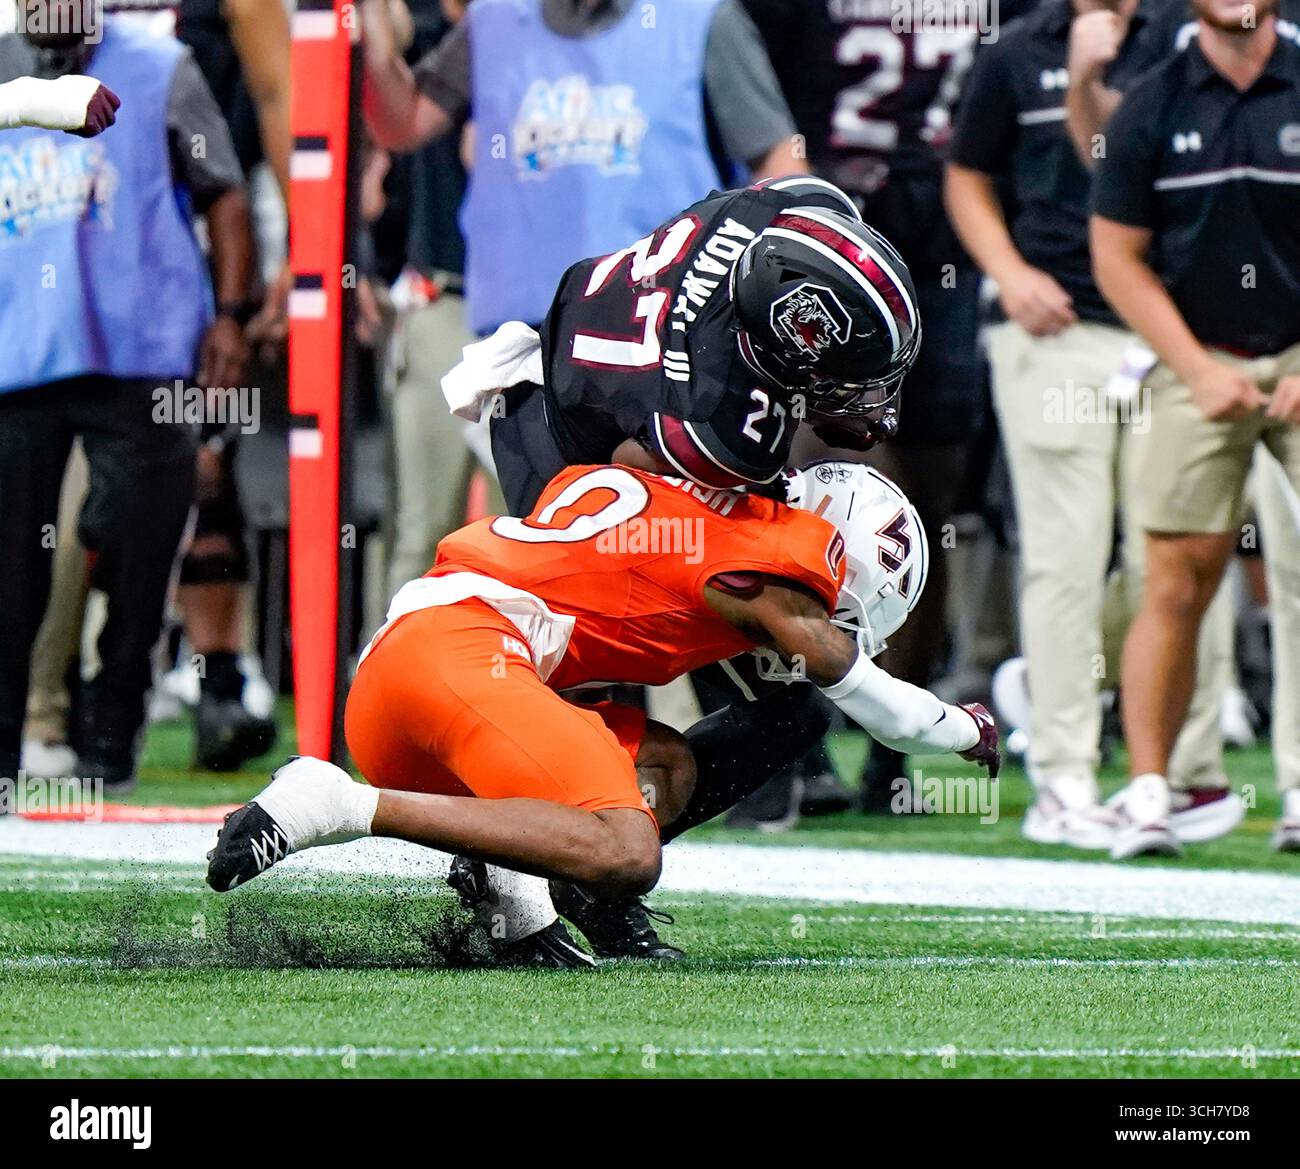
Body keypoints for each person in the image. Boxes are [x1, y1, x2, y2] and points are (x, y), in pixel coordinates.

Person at [206, 461, 999, 965]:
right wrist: (965, 727)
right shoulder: (763, 552)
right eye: (845, 613)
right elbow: (868, 698)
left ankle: (519, 891)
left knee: (667, 768)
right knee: (628, 850)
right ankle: (338, 802)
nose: (834, 631)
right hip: (460, 654)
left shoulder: (678, 487)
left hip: (422, 680)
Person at [944, 0, 1240, 851]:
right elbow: (966, 172)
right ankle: (1066, 779)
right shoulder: (1013, 52)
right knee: (1065, 553)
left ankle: (1182, 771)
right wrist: (1007, 272)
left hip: (1172, 330)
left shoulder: (1192, 43)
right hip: (1056, 323)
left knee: (1177, 555)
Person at [744, 0, 992, 816]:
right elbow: (762, 104)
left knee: (925, 507)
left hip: (942, 247)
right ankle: (796, 736)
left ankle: (893, 750)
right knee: (796, 487)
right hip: (823, 244)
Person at [0, 7, 252, 792]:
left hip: (144, 347)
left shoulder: (159, 63)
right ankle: (6, 753)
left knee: (142, 555)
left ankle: (110, 744)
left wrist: (231, 316)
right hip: (19, 351)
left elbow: (225, 192)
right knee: (12, 567)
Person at [1090, 0, 1300, 856]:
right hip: (1192, 360)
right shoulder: (1153, 100)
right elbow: (1117, 255)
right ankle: (1149, 793)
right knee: (1176, 580)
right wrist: (1199, 368)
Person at [362, 0, 808, 340]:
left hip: (660, 344)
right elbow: (402, 124)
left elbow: (782, 165)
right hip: (521, 346)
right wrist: (377, 50)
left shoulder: (698, 17)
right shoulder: (497, 18)